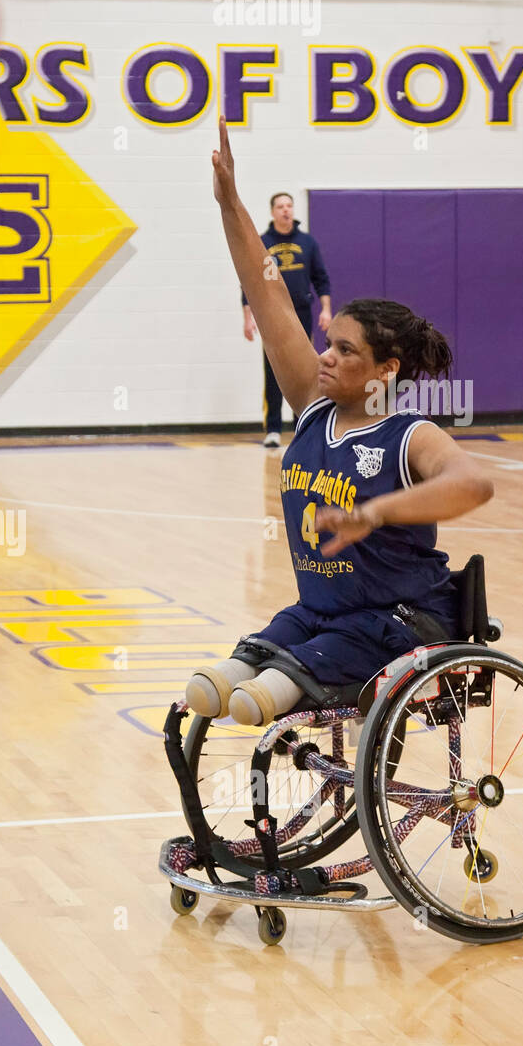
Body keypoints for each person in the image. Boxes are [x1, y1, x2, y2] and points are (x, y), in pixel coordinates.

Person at [186, 119, 493, 727]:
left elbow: (474, 485)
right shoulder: (313, 405)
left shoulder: (411, 434)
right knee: (213, 686)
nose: (325, 356)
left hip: (396, 617)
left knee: (260, 698)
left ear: (386, 369)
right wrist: (230, 205)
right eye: (329, 344)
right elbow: (268, 289)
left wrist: (374, 513)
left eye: (346, 351)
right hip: (319, 613)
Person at [241, 191, 332, 447]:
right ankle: (272, 430)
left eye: (289, 206)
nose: (286, 210)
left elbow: (321, 279)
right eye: (280, 206)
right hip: (271, 316)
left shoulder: (307, 243)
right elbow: (249, 282)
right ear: (272, 212)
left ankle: (301, 426)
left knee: (304, 370)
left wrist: (326, 309)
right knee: (273, 372)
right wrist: (248, 317)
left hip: (301, 314)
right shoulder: (262, 243)